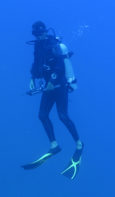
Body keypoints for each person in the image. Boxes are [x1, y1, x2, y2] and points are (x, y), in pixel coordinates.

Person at [21, 21, 83, 180]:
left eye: (41, 33)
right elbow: (37, 64)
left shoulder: (53, 44)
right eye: (36, 34)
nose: (39, 36)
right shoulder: (38, 46)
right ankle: (54, 146)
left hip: (59, 86)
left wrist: (52, 81)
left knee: (62, 116)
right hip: (48, 88)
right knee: (42, 115)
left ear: (45, 32)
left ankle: (79, 145)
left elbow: (60, 65)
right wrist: (33, 78)